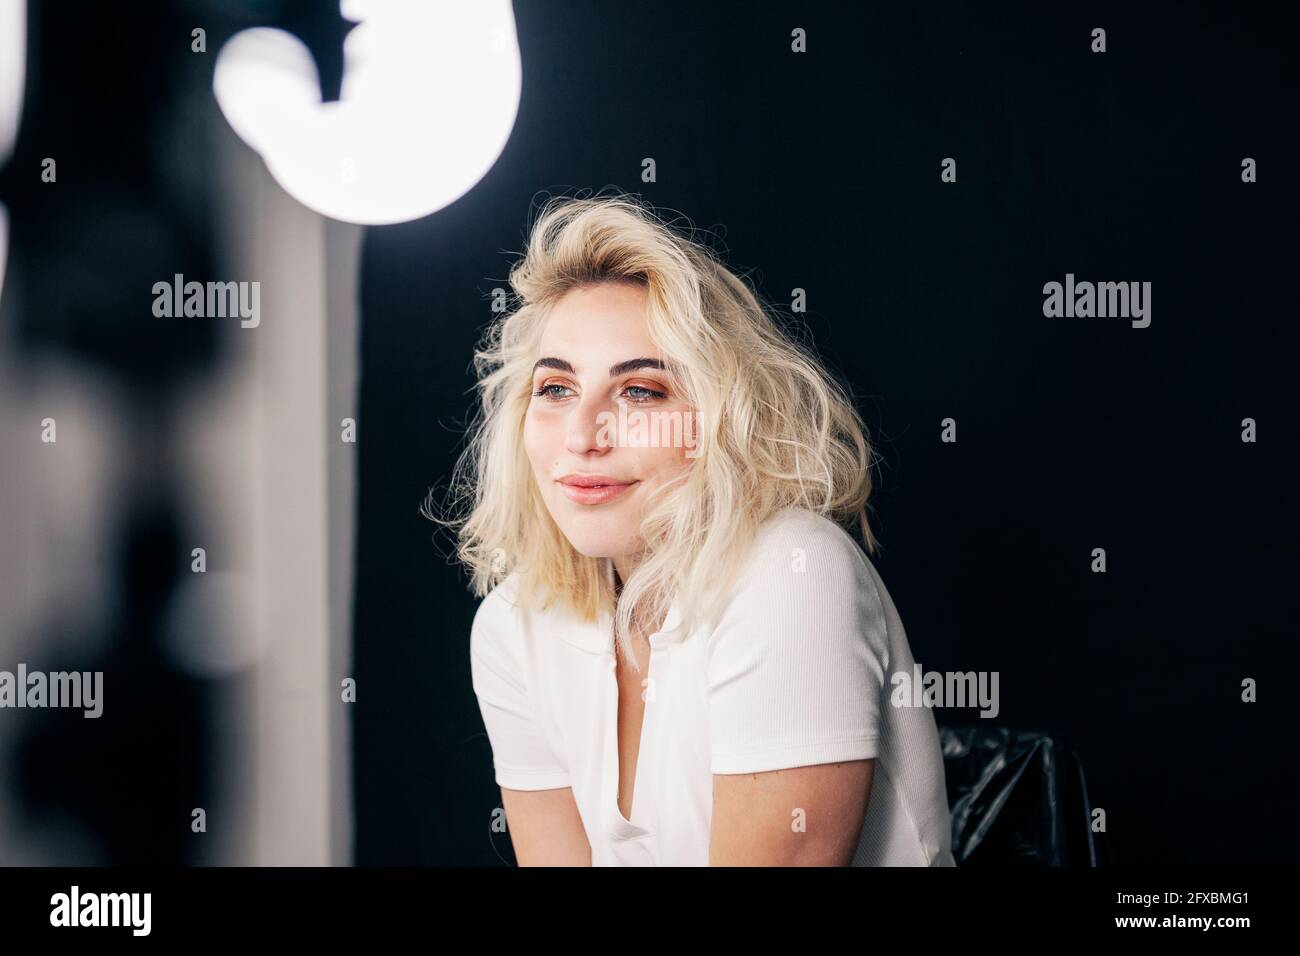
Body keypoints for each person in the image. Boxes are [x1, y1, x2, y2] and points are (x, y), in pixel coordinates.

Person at [436, 190, 955, 866]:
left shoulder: (790, 572)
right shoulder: (514, 627)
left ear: (718, 419)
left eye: (640, 391)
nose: (583, 436)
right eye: (557, 389)